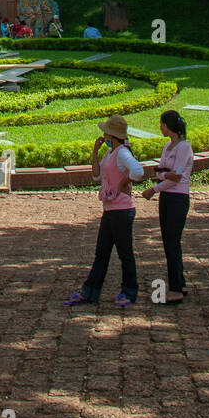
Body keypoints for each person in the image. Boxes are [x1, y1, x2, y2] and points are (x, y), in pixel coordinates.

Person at [65, 115, 145, 307]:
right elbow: (96, 175)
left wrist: (124, 183)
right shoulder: (110, 153)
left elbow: (139, 171)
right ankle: (90, 291)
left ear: (112, 134)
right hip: (110, 209)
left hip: (122, 210)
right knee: (102, 252)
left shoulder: (123, 153)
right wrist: (95, 151)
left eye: (106, 132)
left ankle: (129, 291)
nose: (103, 135)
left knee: (125, 253)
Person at [141, 109, 192, 303]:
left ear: (168, 125)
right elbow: (165, 172)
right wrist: (164, 176)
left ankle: (176, 288)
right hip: (167, 197)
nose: (160, 127)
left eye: (162, 123)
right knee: (170, 242)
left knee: (172, 242)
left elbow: (175, 177)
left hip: (178, 198)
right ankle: (179, 281)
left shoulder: (184, 147)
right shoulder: (167, 147)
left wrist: (154, 188)